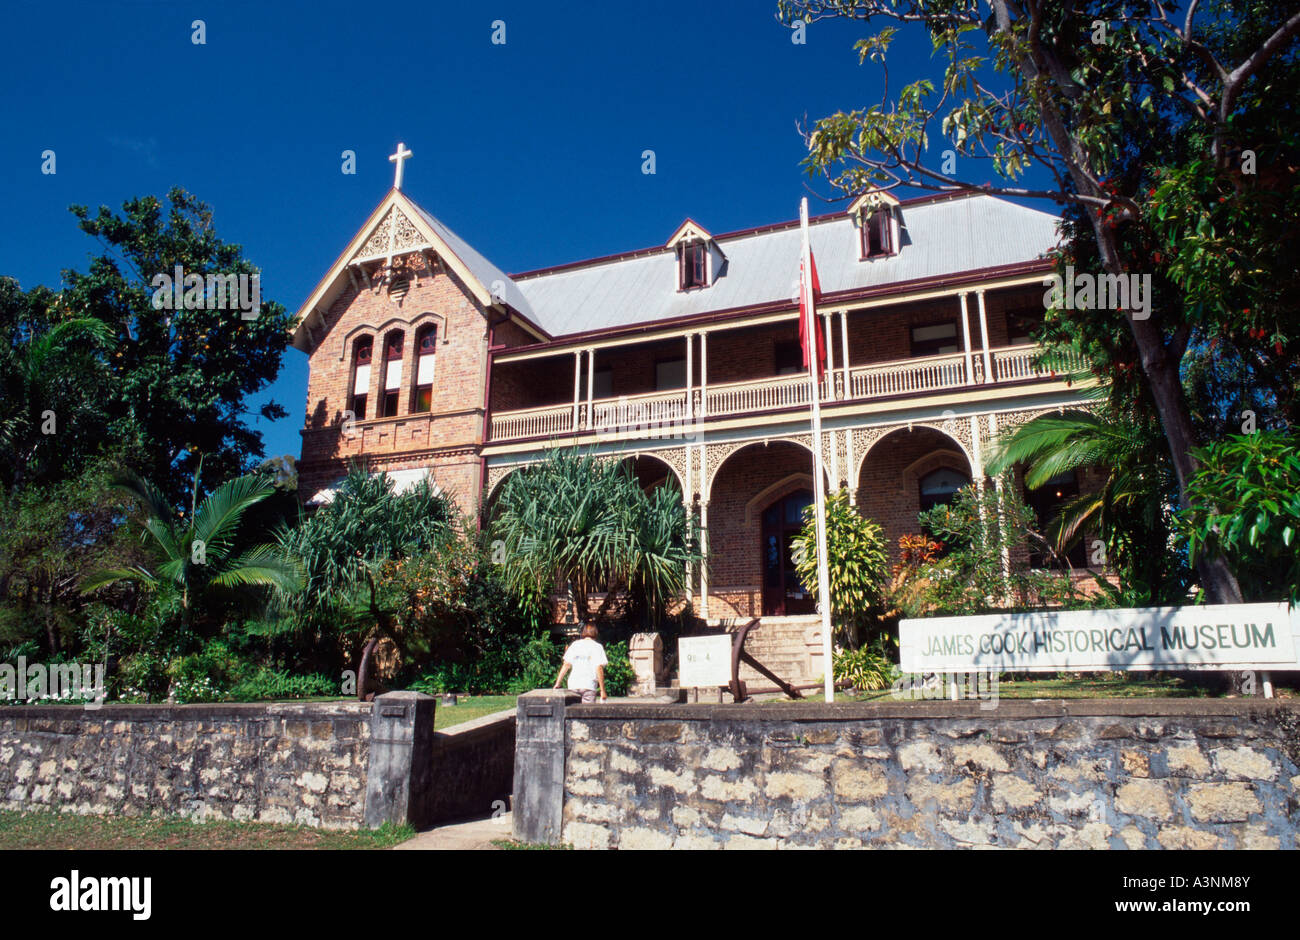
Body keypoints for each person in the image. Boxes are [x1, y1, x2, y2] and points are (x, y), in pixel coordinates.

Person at [554, 623, 608, 703]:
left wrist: (558, 683)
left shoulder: (575, 645)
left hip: (573, 685)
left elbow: (566, 665)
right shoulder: (597, 647)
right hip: (589, 685)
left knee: (572, 714)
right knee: (587, 714)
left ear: (583, 632)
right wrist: (602, 690)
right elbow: (599, 668)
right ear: (595, 633)